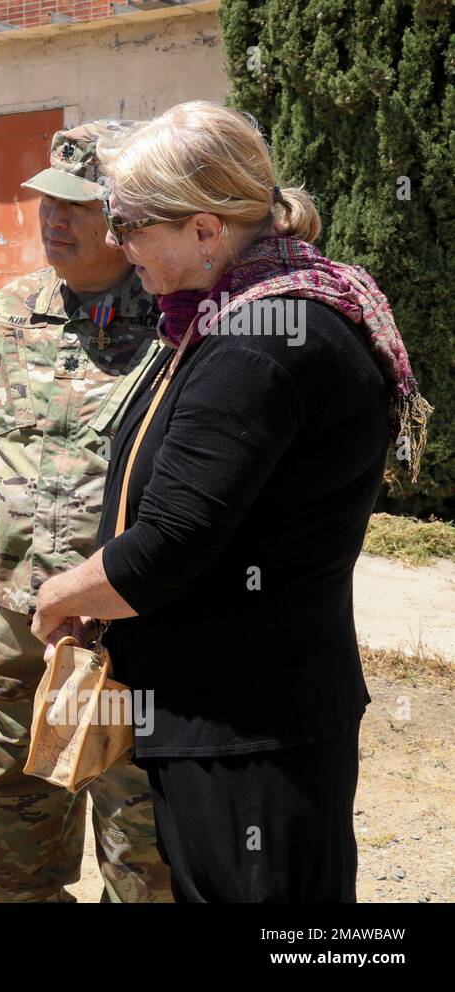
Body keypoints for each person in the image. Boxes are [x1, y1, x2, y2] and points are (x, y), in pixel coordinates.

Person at [31, 101, 433, 903]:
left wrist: (58, 597)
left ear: (208, 231)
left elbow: (169, 547)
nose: (116, 241)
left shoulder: (259, 343)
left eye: (130, 221)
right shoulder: (249, 315)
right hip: (243, 713)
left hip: (247, 729)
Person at [0, 121, 172, 903]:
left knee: (142, 836)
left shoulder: (175, 327)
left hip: (128, 631)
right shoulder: (9, 315)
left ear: (129, 216)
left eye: (78, 206)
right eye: (46, 202)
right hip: (16, 621)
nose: (53, 220)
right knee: (13, 817)